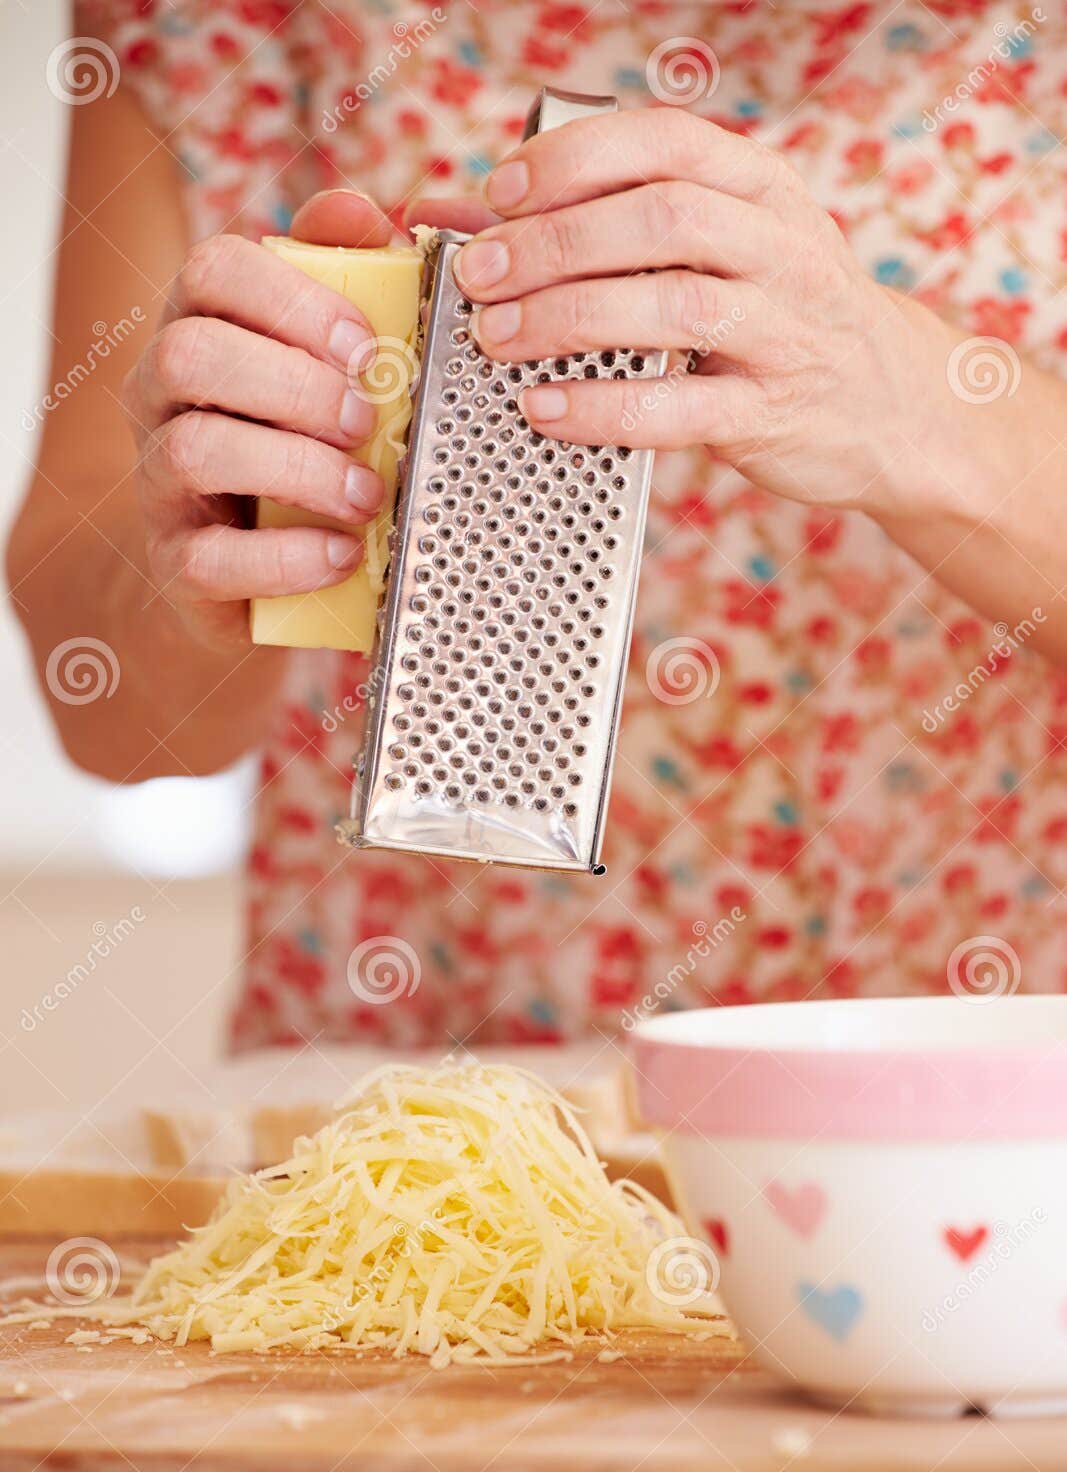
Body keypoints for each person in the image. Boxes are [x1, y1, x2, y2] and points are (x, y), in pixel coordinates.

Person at [8, 2, 1067, 1053]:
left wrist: (922, 409)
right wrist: (211, 559)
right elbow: (98, 706)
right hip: (422, 1088)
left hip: (976, 1091)